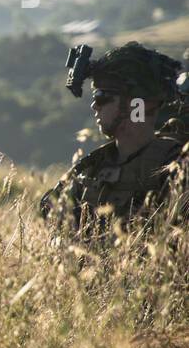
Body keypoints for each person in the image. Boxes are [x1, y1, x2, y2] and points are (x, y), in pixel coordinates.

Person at [39, 42, 188, 238]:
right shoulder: (92, 168)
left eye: (103, 97)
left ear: (137, 105)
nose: (94, 106)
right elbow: (50, 217)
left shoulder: (176, 168)